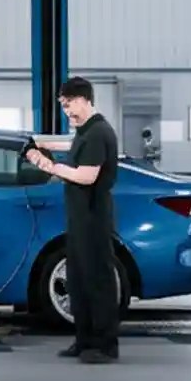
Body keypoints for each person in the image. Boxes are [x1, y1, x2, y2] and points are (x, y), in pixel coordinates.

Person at [25, 76, 120, 364]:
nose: (68, 111)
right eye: (64, 106)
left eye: (70, 105)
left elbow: (86, 175)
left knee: (97, 281)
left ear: (86, 99)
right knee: (78, 280)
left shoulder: (99, 133)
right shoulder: (84, 131)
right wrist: (35, 144)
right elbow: (70, 144)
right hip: (79, 218)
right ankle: (84, 340)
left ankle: (104, 346)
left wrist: (50, 166)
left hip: (94, 218)